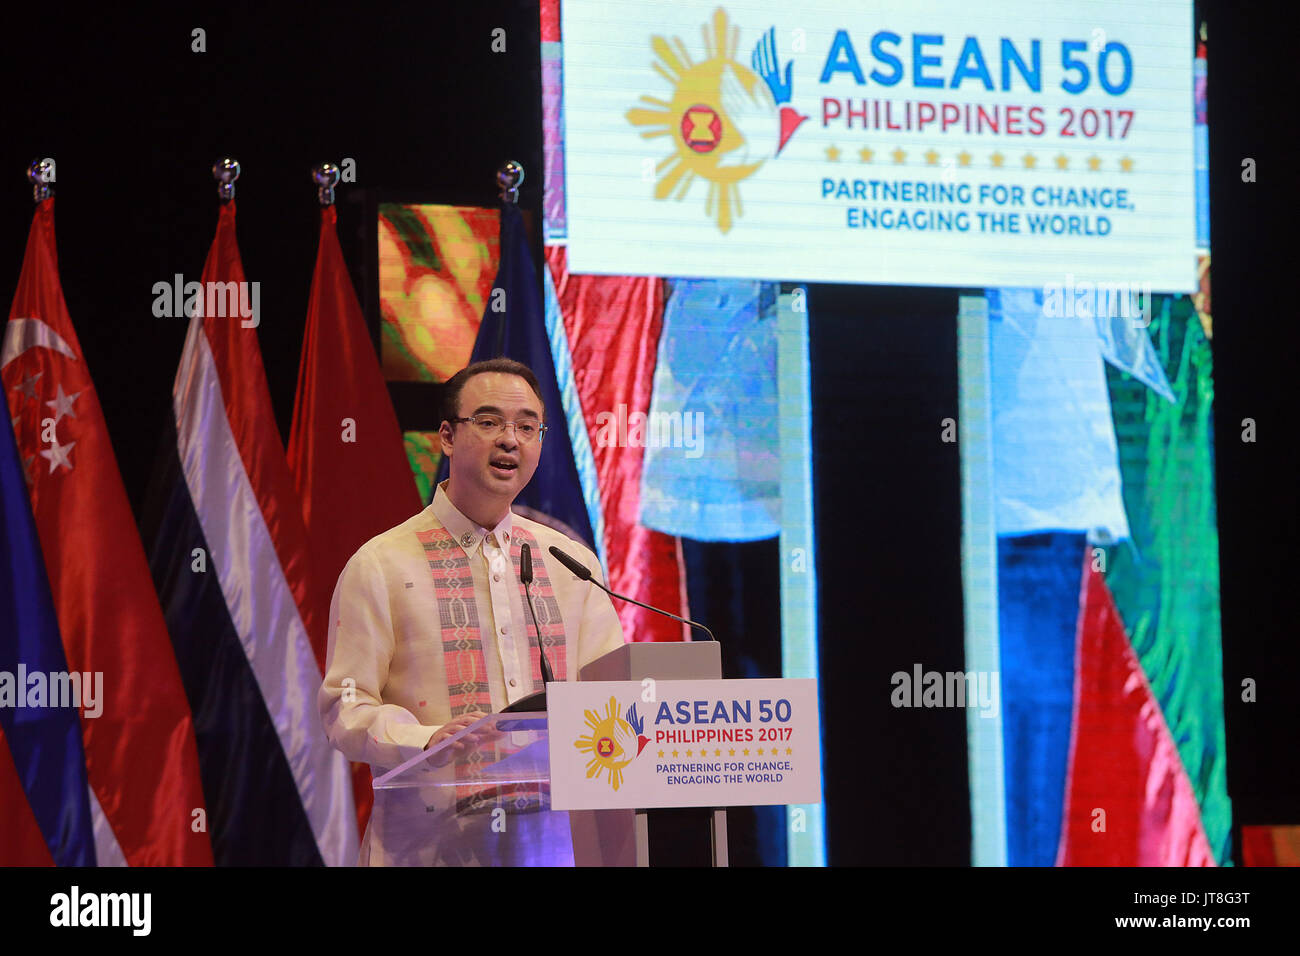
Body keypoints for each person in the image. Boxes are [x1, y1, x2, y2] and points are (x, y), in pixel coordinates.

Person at [318, 357, 625, 865]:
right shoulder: (381, 564)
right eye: (488, 422)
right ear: (447, 437)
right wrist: (425, 740)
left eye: (527, 427)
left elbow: (612, 700)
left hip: (554, 846)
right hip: (430, 848)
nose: (510, 440)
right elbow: (344, 707)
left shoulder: (569, 563)